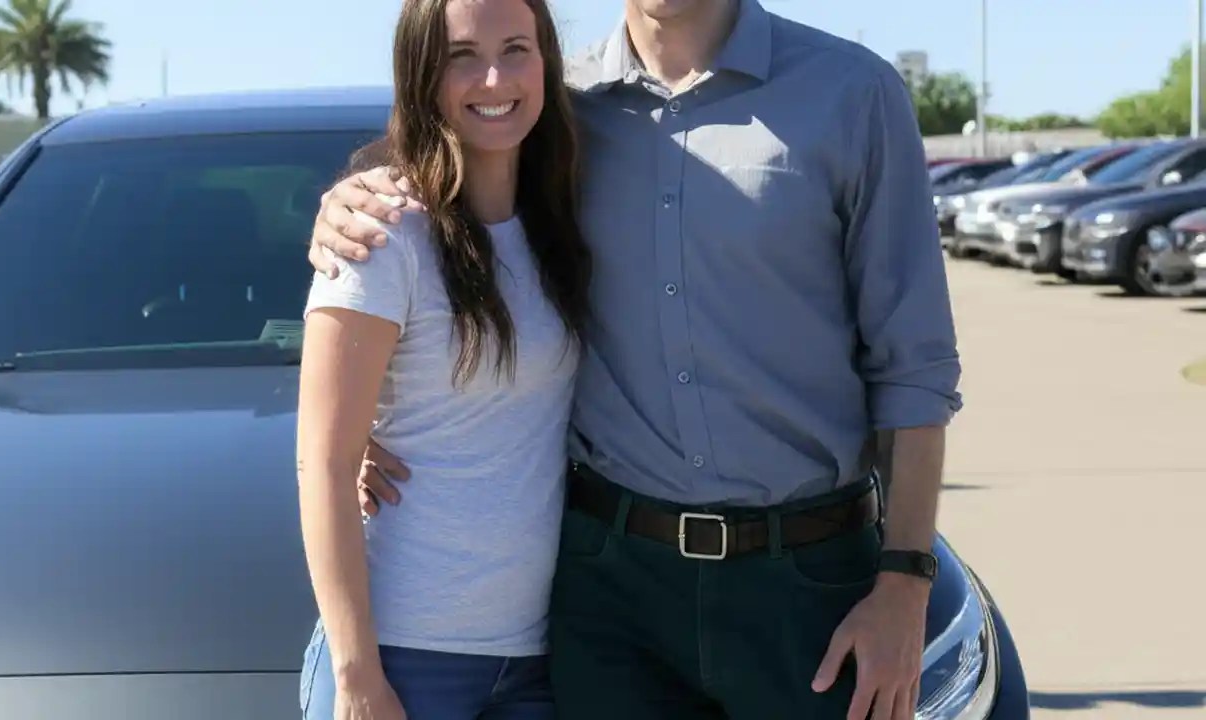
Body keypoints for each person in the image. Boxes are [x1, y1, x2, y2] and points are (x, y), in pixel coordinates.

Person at [311, 1, 963, 718]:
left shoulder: (853, 93)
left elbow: (915, 369)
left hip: (808, 589)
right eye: (470, 57)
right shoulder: (560, 106)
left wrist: (906, 581)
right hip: (612, 599)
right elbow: (443, 167)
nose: (492, 71)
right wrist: (350, 196)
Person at [294, 0, 590, 718]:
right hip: (402, 657)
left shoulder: (562, 222)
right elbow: (323, 465)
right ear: (423, 73)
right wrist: (358, 675)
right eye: (463, 55)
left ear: (546, 61)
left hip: (535, 659)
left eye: (516, 48)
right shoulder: (380, 233)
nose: (494, 78)